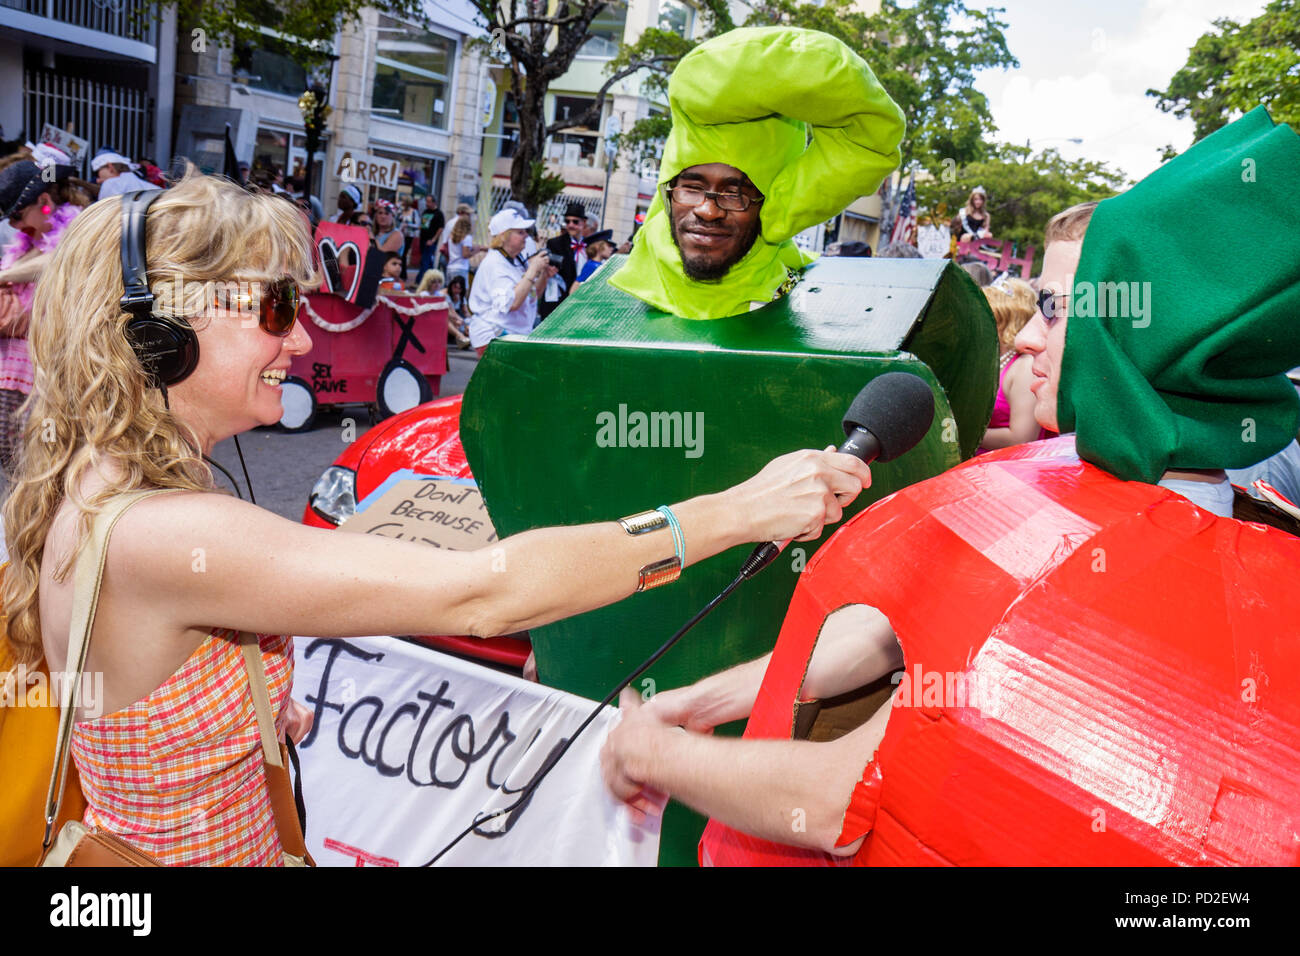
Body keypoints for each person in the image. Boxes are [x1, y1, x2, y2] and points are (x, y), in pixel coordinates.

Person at [0, 168, 871, 866]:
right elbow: (486, 595)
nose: (301, 340)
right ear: (160, 332)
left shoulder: (95, 476)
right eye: (273, 309)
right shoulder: (165, 531)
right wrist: (733, 510)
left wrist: (239, 720)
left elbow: (127, 698)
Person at [600, 107, 1300, 863]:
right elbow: (900, 626)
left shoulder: (1138, 574)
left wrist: (654, 755)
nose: (1028, 335)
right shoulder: (1062, 480)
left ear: (1145, 336)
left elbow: (850, 795)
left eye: (1058, 311)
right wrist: (700, 702)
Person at [607, 27, 904, 320]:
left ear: (771, 200)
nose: (708, 210)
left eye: (734, 193)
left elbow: (868, 137)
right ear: (667, 189)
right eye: (692, 187)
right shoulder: (607, 300)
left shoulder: (820, 306)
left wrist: (783, 217)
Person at [0, 160, 87, 474]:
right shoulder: (29, 243)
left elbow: (60, 259)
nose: (12, 226)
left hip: (47, 378)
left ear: (46, 203)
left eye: (16, 216)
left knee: (47, 465)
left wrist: (5, 275)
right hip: (12, 375)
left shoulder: (79, 232)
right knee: (13, 463)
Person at [466, 207, 555, 357]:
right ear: (503, 236)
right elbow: (511, 304)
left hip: (511, 335)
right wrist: (532, 270)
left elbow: (532, 295)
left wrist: (544, 276)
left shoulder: (515, 260)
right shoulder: (495, 264)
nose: (526, 236)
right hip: (495, 336)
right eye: (520, 232)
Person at [978, 277, 1046, 452]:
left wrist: (962, 433)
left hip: (1005, 470)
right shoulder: (993, 358)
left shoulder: (1025, 366)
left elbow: (1021, 438)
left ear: (1004, 320)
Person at [540, 201, 589, 319]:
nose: (571, 225)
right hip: (559, 302)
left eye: (575, 222)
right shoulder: (555, 244)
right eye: (567, 221)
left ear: (584, 223)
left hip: (581, 303)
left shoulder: (589, 244)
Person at [91, 149, 160, 199]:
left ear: (110, 167)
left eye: (98, 172)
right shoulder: (154, 189)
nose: (98, 178)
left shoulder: (111, 184)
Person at [416, 194, 446, 288]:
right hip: (423, 239)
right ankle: (430, 280)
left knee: (426, 261)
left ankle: (420, 281)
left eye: (429, 201)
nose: (427, 203)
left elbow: (440, 228)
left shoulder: (438, 213)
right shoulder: (425, 211)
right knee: (427, 262)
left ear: (434, 202)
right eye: (426, 201)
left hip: (430, 241)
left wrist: (433, 240)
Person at [445, 204, 475, 286]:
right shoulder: (466, 237)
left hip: (450, 266)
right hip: (461, 268)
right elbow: (465, 254)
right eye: (468, 214)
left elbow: (445, 243)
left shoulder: (451, 228)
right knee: (461, 293)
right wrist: (476, 251)